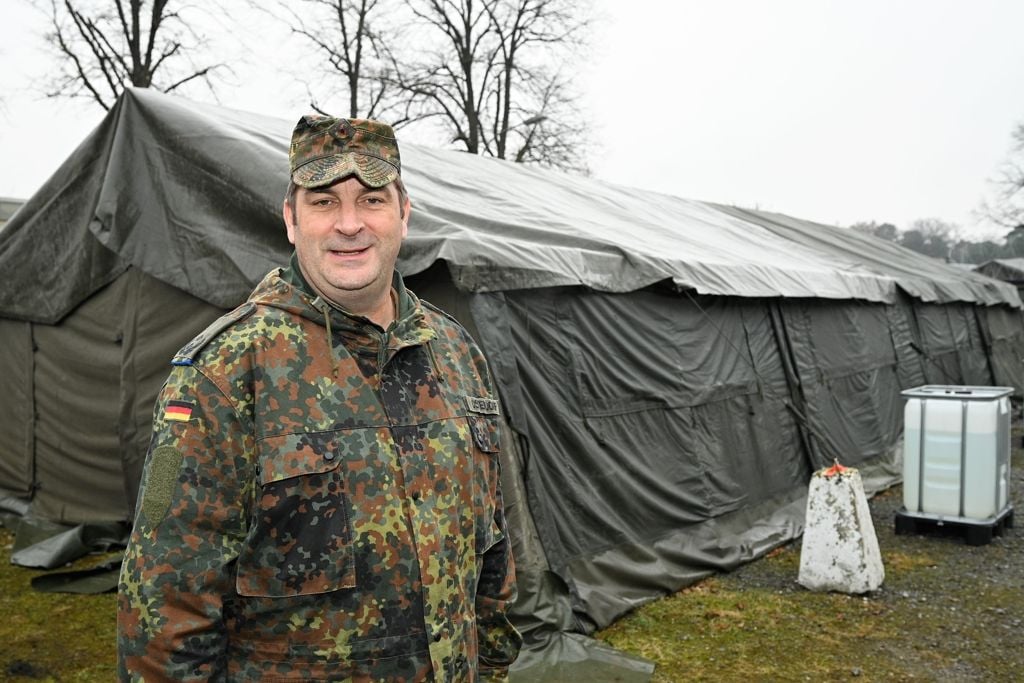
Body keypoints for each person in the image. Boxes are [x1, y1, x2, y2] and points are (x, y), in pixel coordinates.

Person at [117, 115, 522, 681]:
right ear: (291, 219)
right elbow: (164, 601)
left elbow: (493, 539)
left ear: (404, 214)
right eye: (324, 202)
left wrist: (495, 662)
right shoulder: (223, 374)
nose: (350, 224)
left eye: (372, 199)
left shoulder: (455, 352)